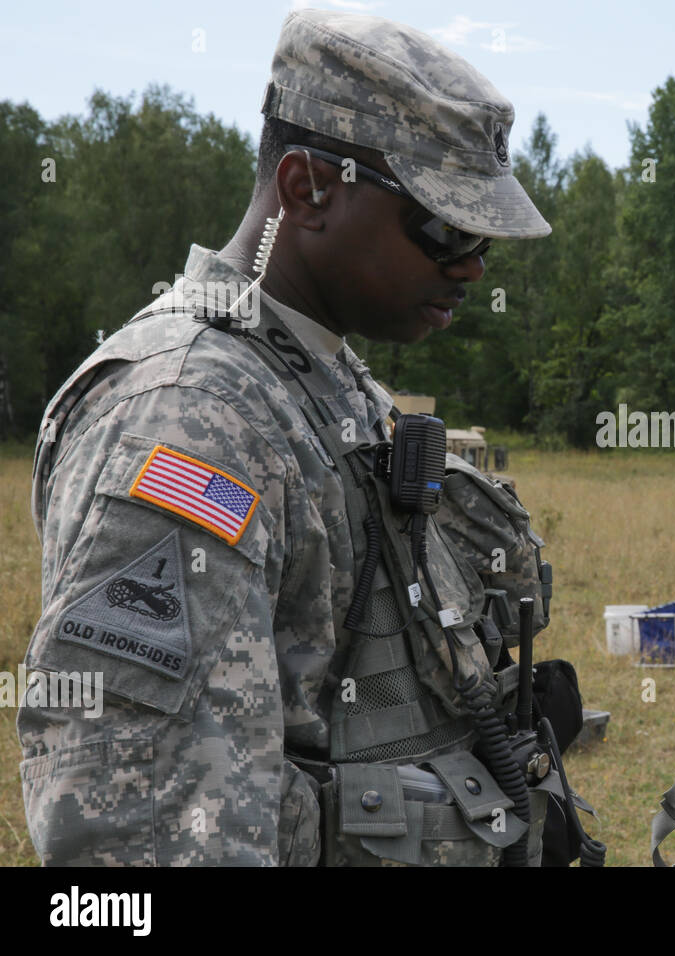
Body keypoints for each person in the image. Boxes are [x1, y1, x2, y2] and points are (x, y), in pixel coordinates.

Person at [19, 10, 569, 866]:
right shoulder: (188, 415)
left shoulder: (315, 379)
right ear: (308, 189)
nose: (473, 265)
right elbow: (139, 832)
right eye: (446, 227)